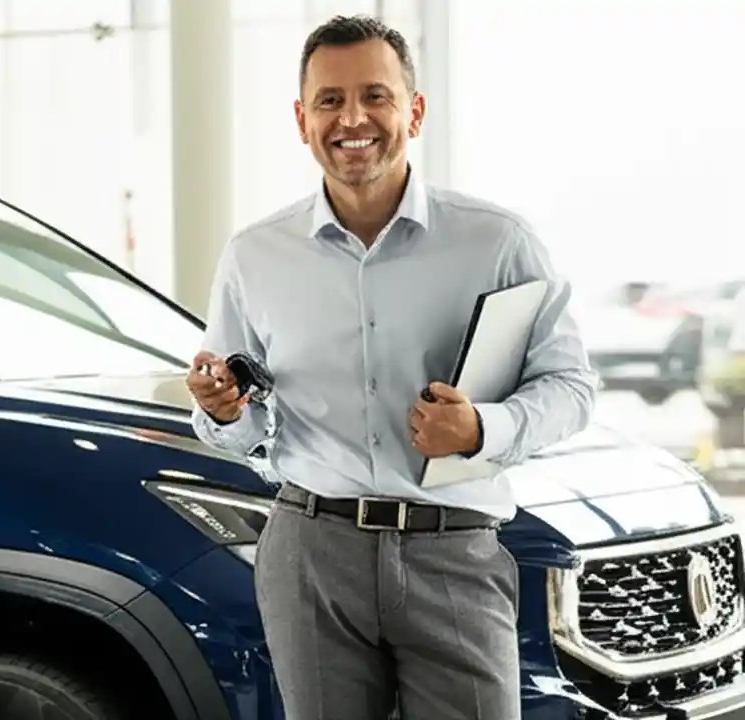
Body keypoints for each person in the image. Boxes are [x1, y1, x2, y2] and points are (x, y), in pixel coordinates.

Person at [185, 14, 597, 720]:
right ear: (301, 118)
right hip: (312, 553)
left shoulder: (497, 241)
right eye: (329, 101)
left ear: (415, 109)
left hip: (454, 551)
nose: (353, 119)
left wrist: (481, 430)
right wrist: (223, 409)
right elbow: (238, 414)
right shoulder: (254, 256)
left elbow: (573, 387)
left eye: (375, 96)